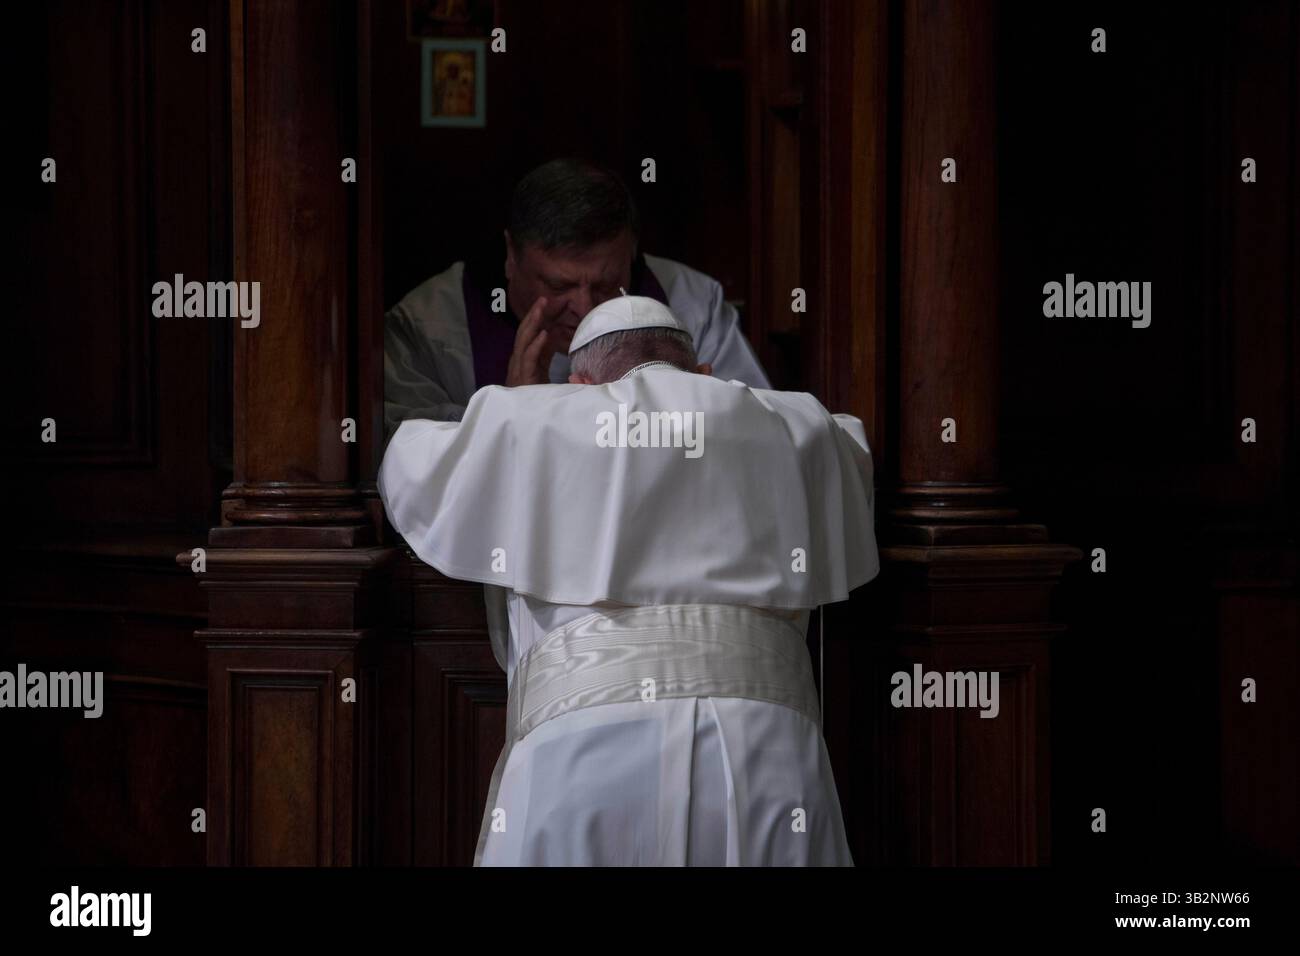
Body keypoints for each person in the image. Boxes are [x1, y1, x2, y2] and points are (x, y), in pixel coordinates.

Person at [378, 295, 879, 865]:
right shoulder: (794, 424)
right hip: (765, 747)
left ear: (581, 384)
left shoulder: (529, 420)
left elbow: (405, 459)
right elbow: (854, 456)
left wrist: (531, 409)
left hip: (582, 749)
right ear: (704, 372)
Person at [383, 158, 769, 436]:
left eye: (606, 284)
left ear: (632, 251)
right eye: (558, 286)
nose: (586, 310)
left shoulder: (694, 304)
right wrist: (507, 416)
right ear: (511, 256)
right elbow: (407, 461)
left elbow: (755, 429)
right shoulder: (427, 325)